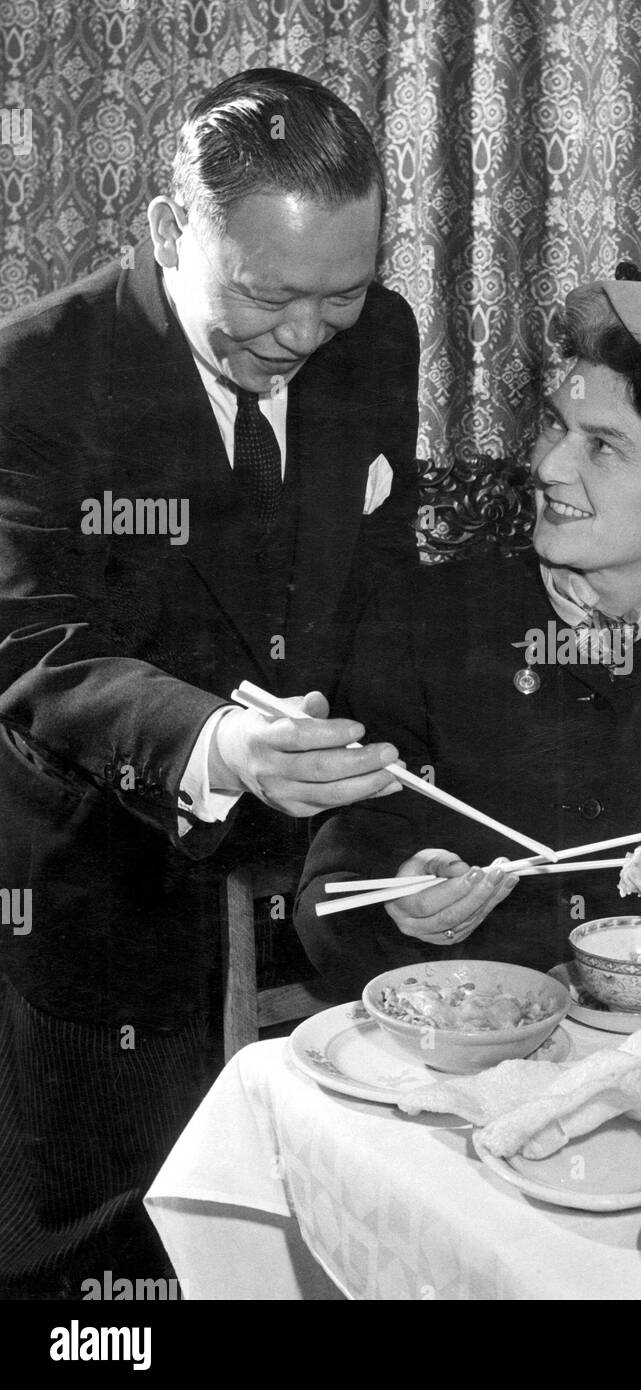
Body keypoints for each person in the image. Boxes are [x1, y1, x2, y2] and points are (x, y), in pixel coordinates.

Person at [0, 68, 418, 1297]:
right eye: (265, 294)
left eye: (335, 296)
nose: (301, 336)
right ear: (164, 229)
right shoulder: (34, 375)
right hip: (92, 876)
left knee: (294, 1234)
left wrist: (383, 779)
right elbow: (31, 646)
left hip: (312, 873)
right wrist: (215, 745)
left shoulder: (378, 336)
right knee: (97, 1255)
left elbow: (370, 584)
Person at [295, 270, 641, 994]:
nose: (547, 467)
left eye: (603, 447)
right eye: (555, 424)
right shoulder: (423, 621)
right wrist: (400, 900)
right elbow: (331, 892)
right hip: (458, 1054)